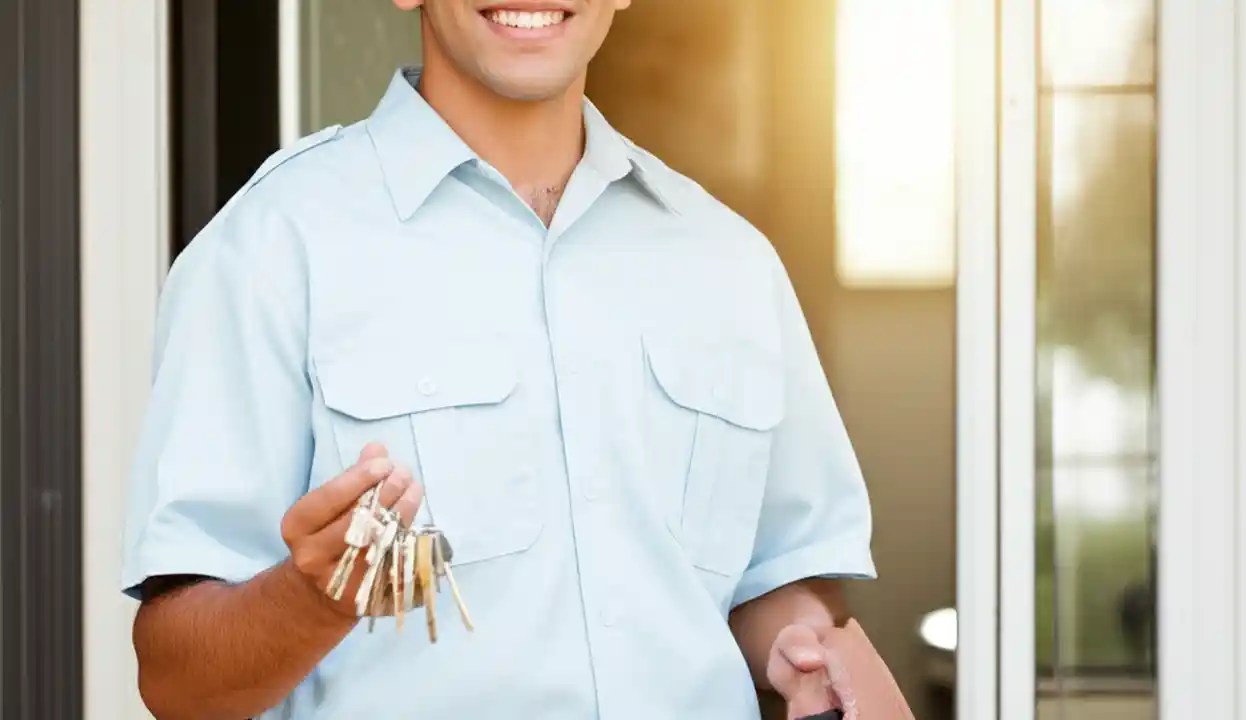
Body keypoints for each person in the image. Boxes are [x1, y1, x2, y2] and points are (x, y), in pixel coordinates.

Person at [123, 1, 905, 718]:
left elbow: (780, 576)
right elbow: (175, 680)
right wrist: (314, 598)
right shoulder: (267, 249)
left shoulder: (731, 261)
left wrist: (805, 654)